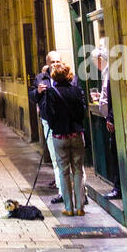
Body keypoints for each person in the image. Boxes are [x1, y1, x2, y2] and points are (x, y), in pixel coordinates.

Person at [37, 61, 87, 216]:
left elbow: (49, 114)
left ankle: (68, 207)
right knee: (78, 170)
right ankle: (80, 206)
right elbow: (82, 111)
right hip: (76, 134)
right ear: (68, 75)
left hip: (60, 136)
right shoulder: (76, 90)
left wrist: (55, 126)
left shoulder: (51, 93)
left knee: (63, 171)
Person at [30, 51, 63, 203]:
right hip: (48, 121)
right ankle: (62, 191)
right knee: (56, 157)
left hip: (65, 122)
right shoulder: (40, 78)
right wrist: (37, 92)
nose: (56, 64)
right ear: (48, 64)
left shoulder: (67, 76)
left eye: (58, 61)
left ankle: (79, 191)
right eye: (53, 62)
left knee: (70, 159)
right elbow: (33, 97)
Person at [93, 45, 121, 200]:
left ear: (101, 59)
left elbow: (113, 96)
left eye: (95, 61)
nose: (95, 65)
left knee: (116, 153)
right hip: (109, 118)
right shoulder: (106, 72)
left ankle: (118, 188)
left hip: (112, 120)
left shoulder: (110, 71)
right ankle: (117, 186)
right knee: (113, 152)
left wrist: (110, 117)